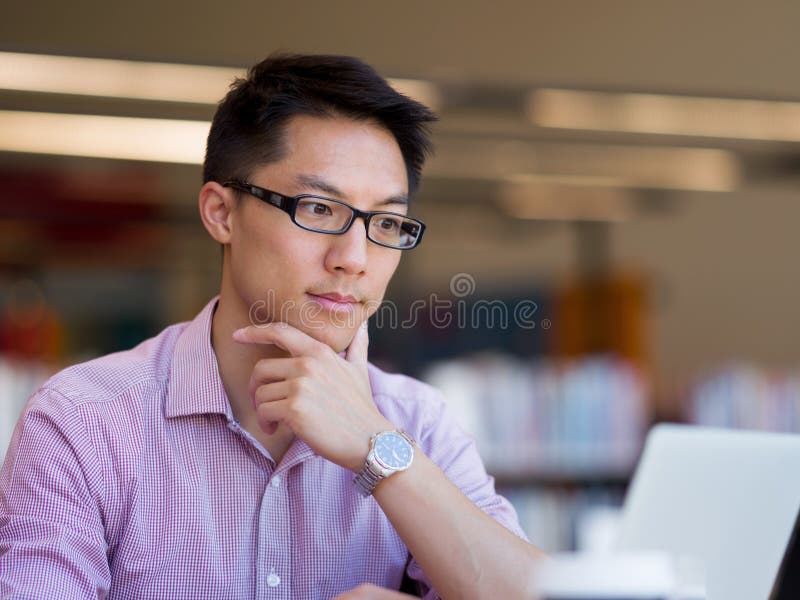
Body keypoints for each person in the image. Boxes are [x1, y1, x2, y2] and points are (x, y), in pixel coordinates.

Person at [0, 53, 543, 599]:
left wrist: (379, 448)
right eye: (318, 208)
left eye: (386, 222)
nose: (354, 258)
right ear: (221, 213)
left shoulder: (417, 422)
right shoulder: (84, 420)